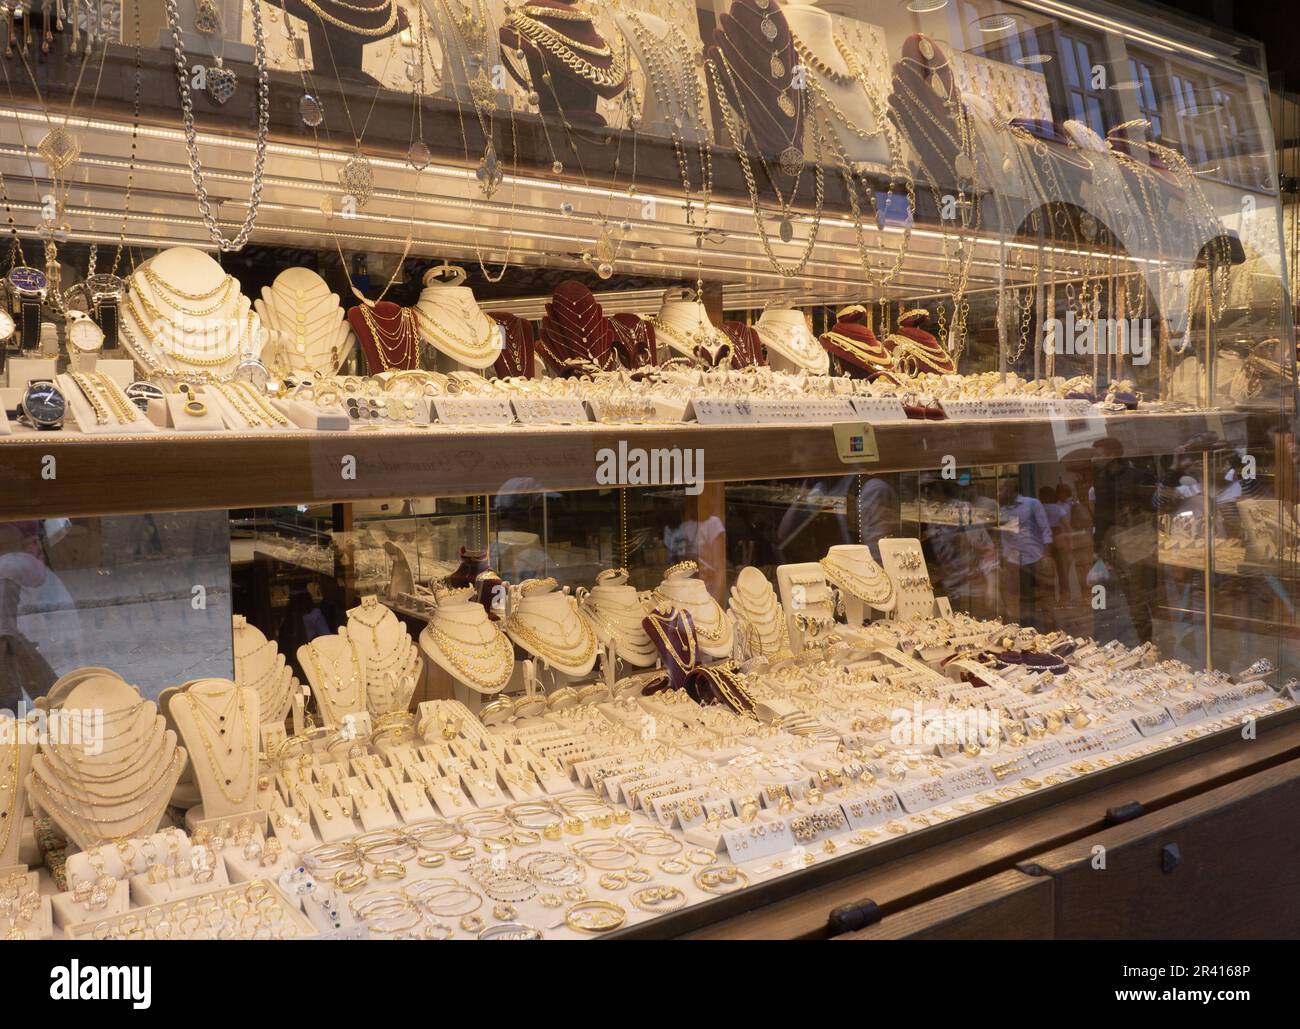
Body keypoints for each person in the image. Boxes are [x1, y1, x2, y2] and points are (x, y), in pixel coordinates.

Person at [998, 480, 1056, 630]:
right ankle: (1028, 634)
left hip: (1036, 557)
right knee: (1024, 600)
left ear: (1011, 489)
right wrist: (1006, 561)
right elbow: (1006, 538)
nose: (998, 493)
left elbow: (1045, 529)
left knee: (1046, 598)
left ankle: (1051, 632)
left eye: (1001, 489)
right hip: (1017, 562)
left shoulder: (1032, 504)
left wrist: (1047, 555)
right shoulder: (1003, 511)